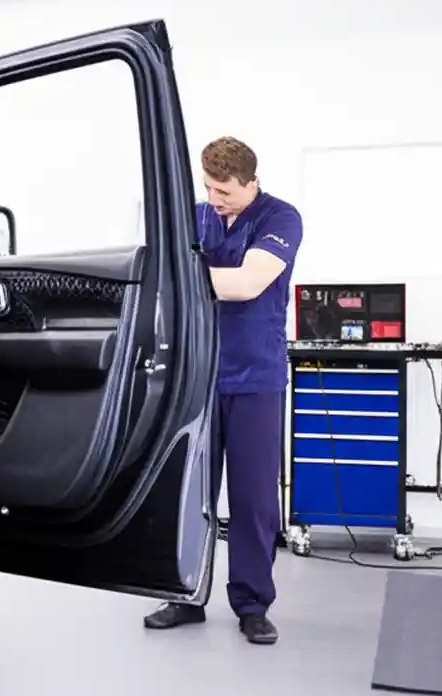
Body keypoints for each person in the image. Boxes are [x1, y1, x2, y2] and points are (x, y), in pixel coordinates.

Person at [142, 136, 303, 645]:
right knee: (191, 494)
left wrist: (182, 276)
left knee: (254, 499)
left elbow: (245, 284)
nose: (215, 198)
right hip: (199, 374)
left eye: (225, 191)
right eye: (209, 188)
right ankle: (186, 595)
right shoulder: (196, 214)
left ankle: (252, 604)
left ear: (251, 182)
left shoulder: (281, 218)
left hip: (256, 377)